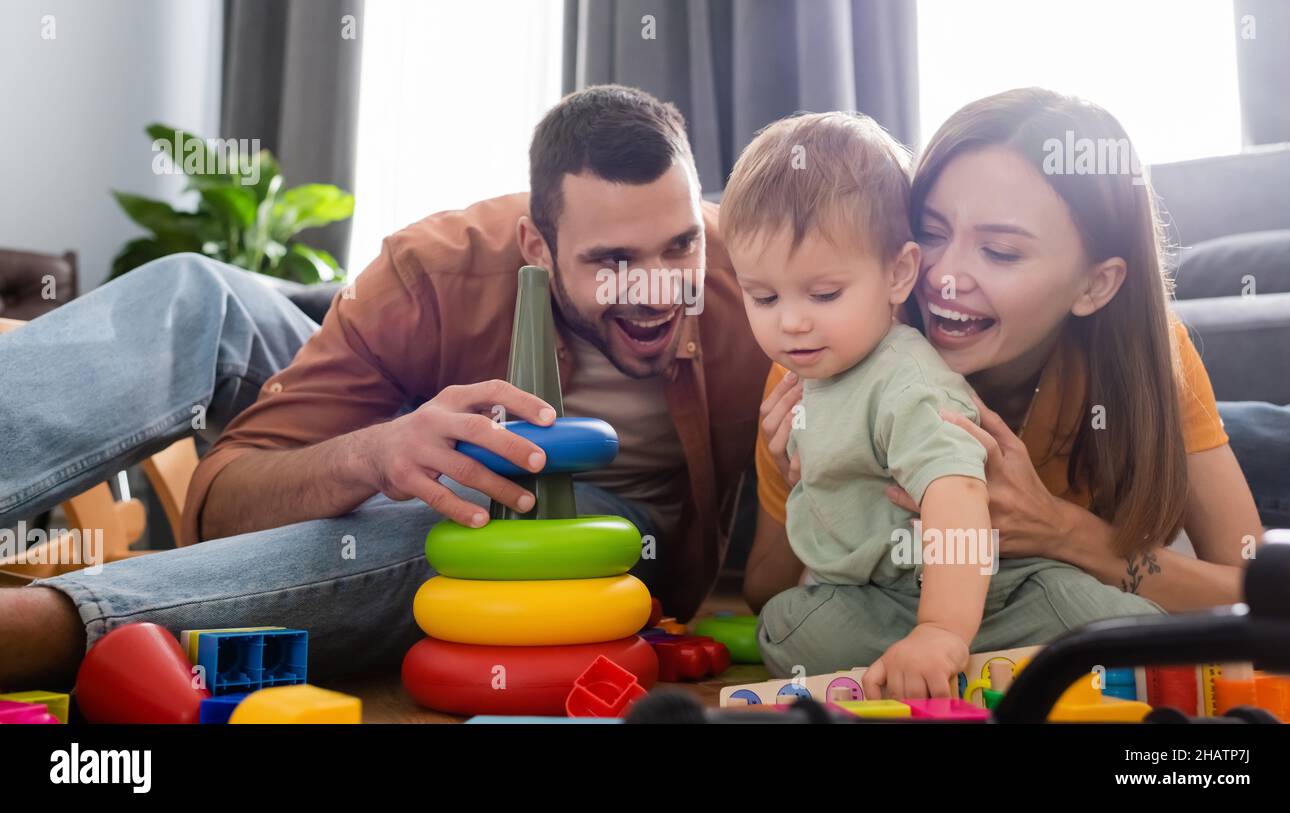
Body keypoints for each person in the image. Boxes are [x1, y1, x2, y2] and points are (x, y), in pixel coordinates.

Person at [0, 84, 771, 691]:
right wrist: (376, 453)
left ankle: (35, 627)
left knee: (468, 511)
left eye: (681, 245)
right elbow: (226, 499)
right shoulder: (435, 268)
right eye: (612, 261)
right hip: (391, 402)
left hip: (595, 537)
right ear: (537, 243)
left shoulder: (763, 286)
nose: (658, 290)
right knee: (192, 296)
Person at [744, 89, 1267, 687]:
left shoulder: (1153, 364)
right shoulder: (821, 350)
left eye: (999, 251)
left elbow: (1261, 591)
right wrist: (818, 487)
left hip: (1239, 447)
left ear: (1095, 286)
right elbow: (766, 590)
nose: (942, 276)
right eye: (931, 233)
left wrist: (1060, 529)